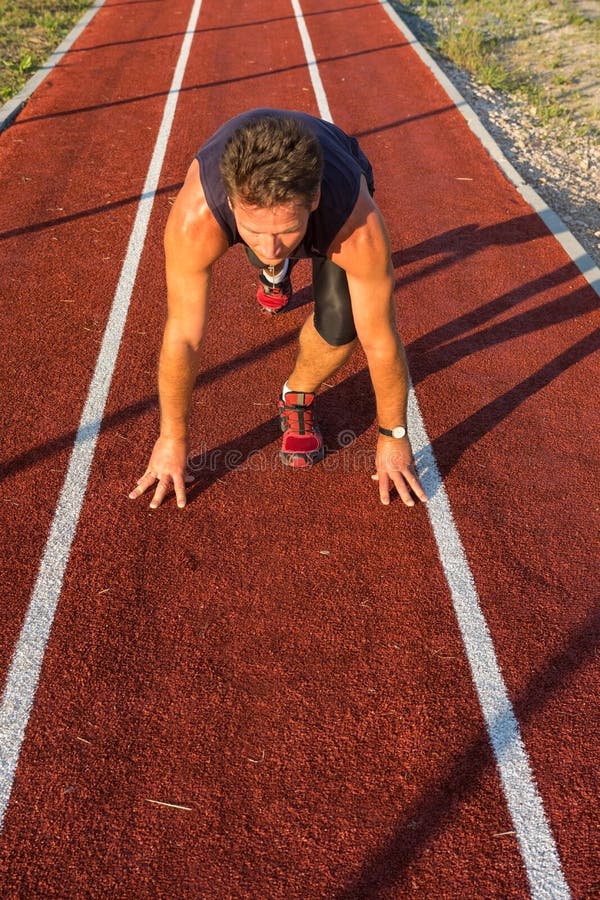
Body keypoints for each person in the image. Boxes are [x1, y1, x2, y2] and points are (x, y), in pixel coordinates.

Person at [129, 109, 426, 510]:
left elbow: (381, 340)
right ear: (232, 203)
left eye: (286, 232)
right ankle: (275, 271)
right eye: (254, 231)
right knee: (267, 258)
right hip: (260, 211)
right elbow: (183, 335)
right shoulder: (195, 218)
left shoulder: (354, 221)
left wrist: (393, 436)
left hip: (337, 174)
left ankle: (297, 392)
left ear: (314, 199)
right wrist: (171, 438)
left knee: (344, 324)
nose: (270, 242)